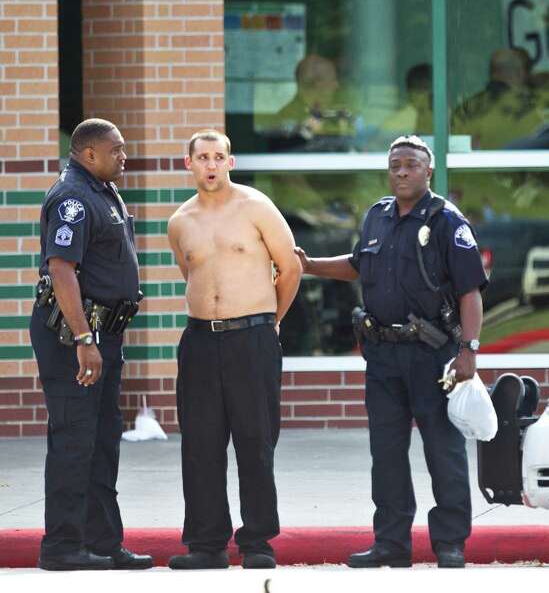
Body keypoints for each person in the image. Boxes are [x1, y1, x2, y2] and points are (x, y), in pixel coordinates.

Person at [296, 135, 488, 569]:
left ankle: (450, 544)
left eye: (411, 165)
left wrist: (469, 351)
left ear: (429, 170)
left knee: (444, 451)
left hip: (431, 356)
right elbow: (359, 263)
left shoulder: (447, 221)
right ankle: (391, 544)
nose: (402, 172)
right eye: (395, 165)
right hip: (382, 356)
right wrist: (309, 266)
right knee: (386, 454)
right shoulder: (377, 216)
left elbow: (470, 291)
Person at [166, 130, 302, 570]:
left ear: (231, 161)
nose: (211, 164)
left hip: (253, 337)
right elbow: (190, 272)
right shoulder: (179, 221)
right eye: (202, 157)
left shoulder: (256, 207)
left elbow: (291, 268)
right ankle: (206, 544)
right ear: (188, 163)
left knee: (255, 439)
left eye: (218, 157)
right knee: (201, 444)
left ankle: (258, 542)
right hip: (200, 340)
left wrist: (271, 321)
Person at [29, 118, 152, 571]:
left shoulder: (101, 190)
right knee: (75, 440)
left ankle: (103, 543)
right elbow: (61, 270)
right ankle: (62, 547)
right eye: (116, 149)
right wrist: (84, 339)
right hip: (73, 337)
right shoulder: (73, 199)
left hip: (105, 333)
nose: (124, 156)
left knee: (103, 441)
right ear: (88, 153)